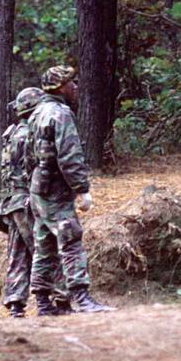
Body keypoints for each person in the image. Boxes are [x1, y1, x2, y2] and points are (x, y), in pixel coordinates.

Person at [26, 65, 111, 314]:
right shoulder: (60, 114)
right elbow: (69, 155)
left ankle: (44, 304)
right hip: (55, 191)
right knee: (70, 241)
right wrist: (82, 189)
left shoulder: (36, 113)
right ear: (61, 87)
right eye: (71, 82)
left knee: (44, 246)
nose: (75, 87)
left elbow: (28, 154)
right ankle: (82, 298)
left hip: (38, 189)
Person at [0, 87, 71, 318]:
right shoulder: (31, 132)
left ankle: (16, 304)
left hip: (12, 201)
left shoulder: (11, 132)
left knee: (17, 255)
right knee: (46, 250)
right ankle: (57, 301)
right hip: (29, 199)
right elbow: (41, 165)